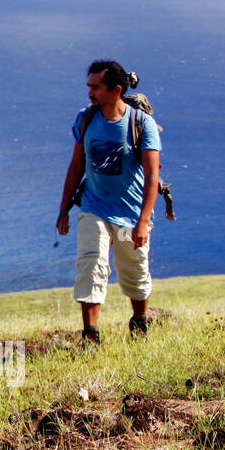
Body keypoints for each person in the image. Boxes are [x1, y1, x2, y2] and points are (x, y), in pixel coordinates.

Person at [55, 60, 161, 343]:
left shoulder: (142, 124)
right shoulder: (86, 119)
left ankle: (139, 323)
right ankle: (91, 336)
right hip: (94, 207)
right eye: (88, 86)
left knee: (135, 270)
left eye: (95, 87)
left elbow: (152, 177)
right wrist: (64, 209)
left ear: (116, 89)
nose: (89, 93)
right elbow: (76, 167)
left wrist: (143, 222)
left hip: (130, 214)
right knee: (91, 265)